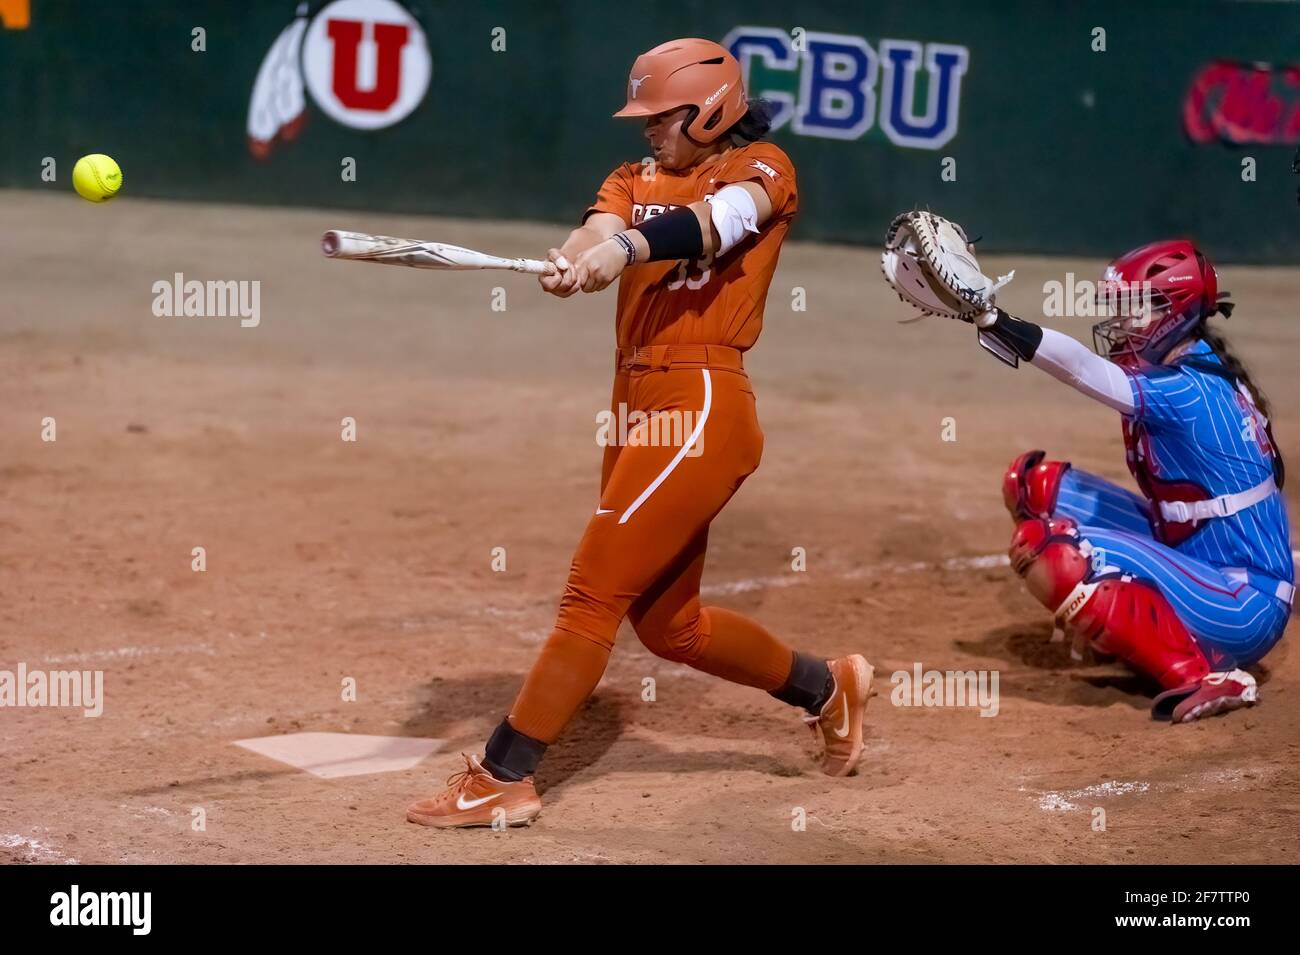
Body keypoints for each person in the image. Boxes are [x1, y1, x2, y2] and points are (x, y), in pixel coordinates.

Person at [406, 38, 872, 829]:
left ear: (711, 110)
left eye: (662, 116)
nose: (647, 129)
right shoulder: (632, 178)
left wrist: (626, 247)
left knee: (591, 592)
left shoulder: (762, 167)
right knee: (669, 626)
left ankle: (504, 773)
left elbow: (718, 223)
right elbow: (600, 228)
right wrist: (579, 259)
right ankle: (826, 686)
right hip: (632, 402)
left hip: (701, 402)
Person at [978, 240, 1292, 722]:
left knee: (1057, 553)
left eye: (1136, 309)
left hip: (1244, 603)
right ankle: (1144, 630)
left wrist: (992, 319)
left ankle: (1203, 674)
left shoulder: (1189, 390)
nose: (1122, 322)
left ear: (1177, 312)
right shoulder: (1185, 363)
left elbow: (1082, 369)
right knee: (1034, 486)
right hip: (1198, 554)